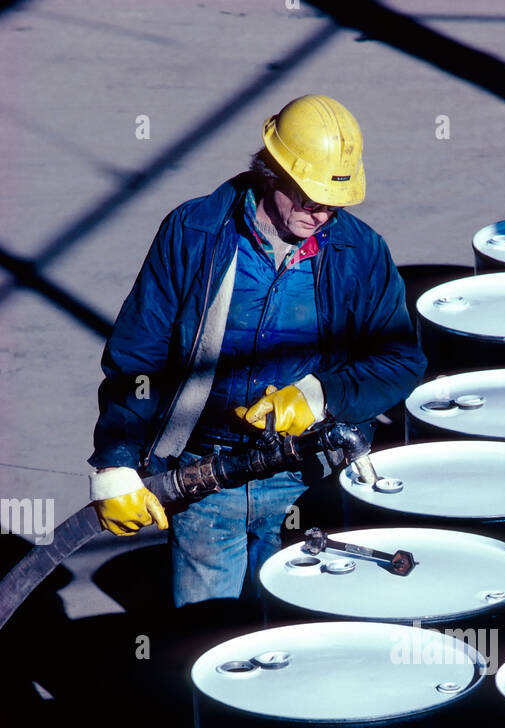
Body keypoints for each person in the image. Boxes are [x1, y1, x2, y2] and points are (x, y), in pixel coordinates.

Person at [88, 94, 426, 605]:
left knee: (298, 640)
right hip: (202, 478)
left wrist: (320, 395)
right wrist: (117, 462)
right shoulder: (195, 232)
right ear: (271, 172)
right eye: (308, 197)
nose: (320, 214)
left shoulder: (359, 253)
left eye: (332, 204)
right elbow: (139, 355)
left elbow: (400, 362)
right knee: (207, 643)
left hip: (305, 479)